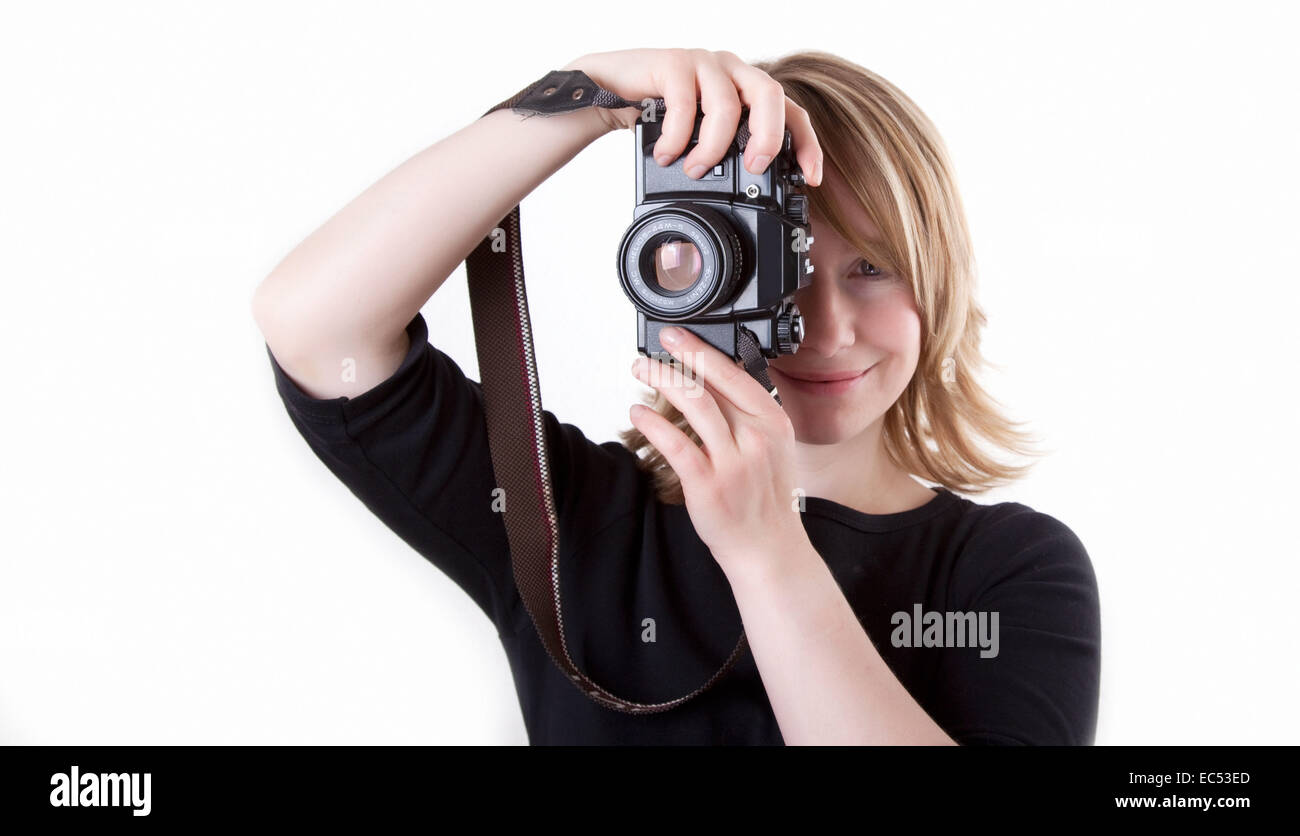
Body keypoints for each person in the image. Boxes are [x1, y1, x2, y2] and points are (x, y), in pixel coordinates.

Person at [251, 48, 1101, 745]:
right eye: (786, 269)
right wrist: (590, 96)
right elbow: (316, 329)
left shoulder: (1010, 572)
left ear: (938, 282)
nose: (827, 327)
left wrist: (769, 554)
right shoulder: (567, 521)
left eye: (872, 270)